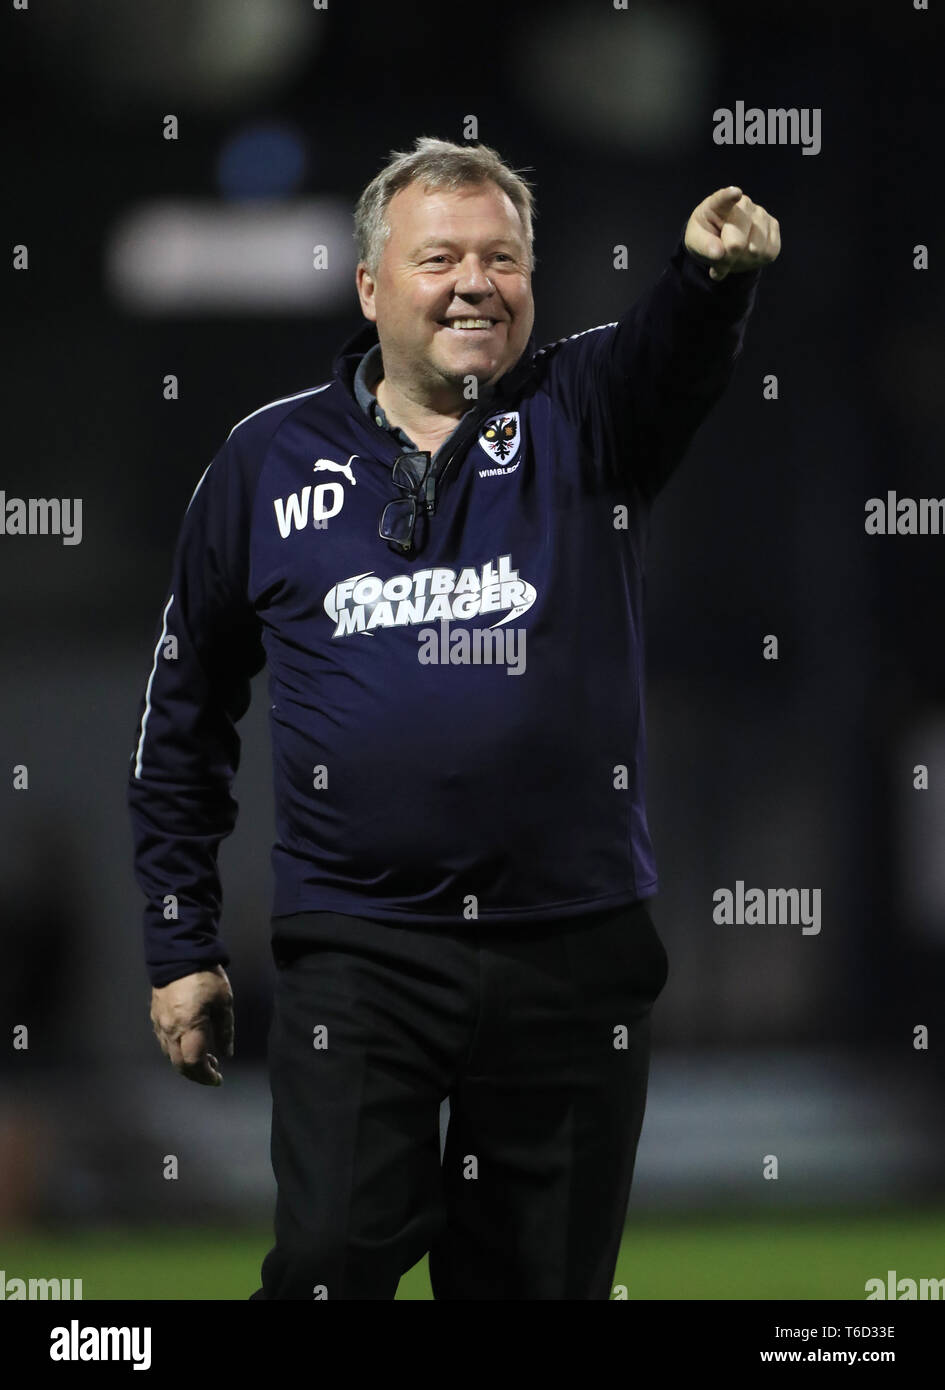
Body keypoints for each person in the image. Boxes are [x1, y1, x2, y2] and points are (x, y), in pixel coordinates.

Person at [127, 136, 780, 1300]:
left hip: (571, 947)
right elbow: (182, 718)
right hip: (360, 951)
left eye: (504, 257)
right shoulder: (265, 463)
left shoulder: (587, 407)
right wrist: (182, 939)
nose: (477, 281)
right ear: (372, 286)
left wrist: (709, 277)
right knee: (327, 1262)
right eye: (441, 258)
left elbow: (672, 357)